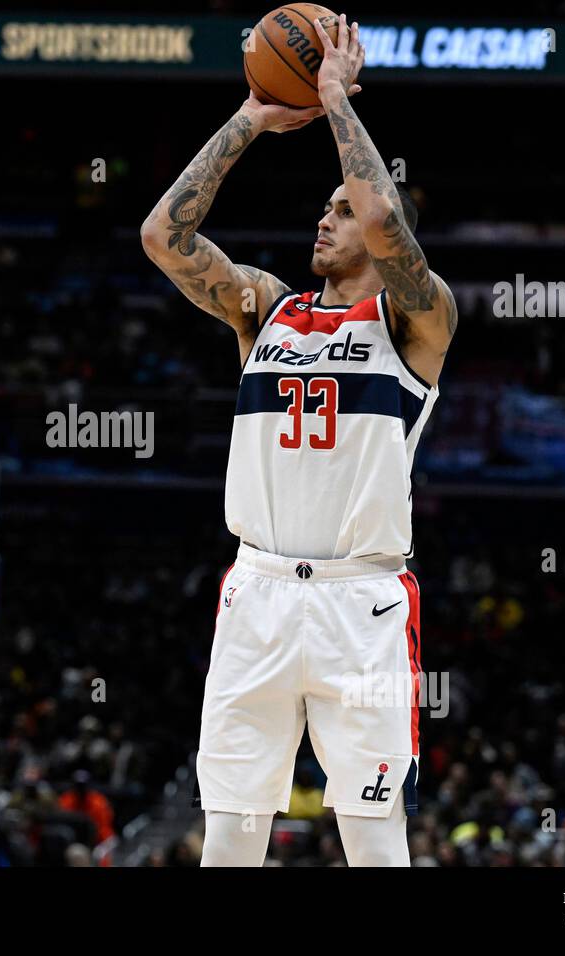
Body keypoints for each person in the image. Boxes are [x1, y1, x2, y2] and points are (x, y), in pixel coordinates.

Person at [141, 17, 456, 866]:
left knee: (374, 837)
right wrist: (250, 118)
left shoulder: (415, 320)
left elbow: (388, 221)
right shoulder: (266, 308)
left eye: (340, 211)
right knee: (233, 831)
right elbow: (162, 238)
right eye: (323, 207)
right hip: (261, 590)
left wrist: (332, 102)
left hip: (364, 602)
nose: (326, 219)